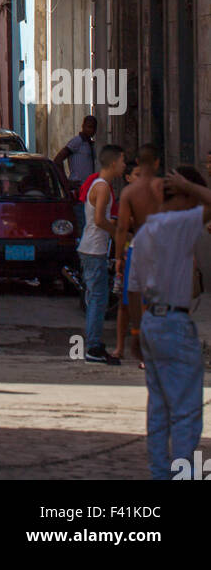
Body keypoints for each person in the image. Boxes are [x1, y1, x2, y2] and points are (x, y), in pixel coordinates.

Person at [127, 167, 211, 480]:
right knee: (187, 408)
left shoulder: (146, 231)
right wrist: (189, 185)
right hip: (175, 322)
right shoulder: (179, 223)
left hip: (151, 320)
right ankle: (181, 473)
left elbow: (133, 287)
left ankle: (161, 472)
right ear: (183, 196)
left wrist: (137, 331)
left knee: (159, 408)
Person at [78, 143, 125, 365]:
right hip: (94, 248)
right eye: (123, 161)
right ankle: (93, 347)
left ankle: (94, 344)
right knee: (98, 299)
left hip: (92, 248)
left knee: (97, 298)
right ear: (114, 163)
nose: (124, 166)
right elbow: (99, 220)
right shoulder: (103, 187)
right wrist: (118, 233)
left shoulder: (99, 185)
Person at [113, 144, 161, 361]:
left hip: (138, 250)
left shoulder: (130, 192)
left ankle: (131, 347)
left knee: (131, 302)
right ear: (158, 164)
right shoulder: (165, 189)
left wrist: (118, 257)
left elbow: (122, 228)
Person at [53, 115, 98, 235]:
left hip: (88, 190)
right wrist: (66, 182)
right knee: (81, 223)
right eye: (88, 127)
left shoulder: (91, 145)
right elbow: (58, 160)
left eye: (93, 128)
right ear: (83, 127)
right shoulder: (77, 141)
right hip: (78, 189)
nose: (91, 130)